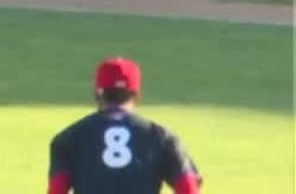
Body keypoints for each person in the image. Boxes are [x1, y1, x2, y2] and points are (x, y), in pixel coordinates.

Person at [47, 58, 203, 194]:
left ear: (97, 93)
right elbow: (188, 187)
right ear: (136, 94)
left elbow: (57, 189)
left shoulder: (68, 138)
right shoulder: (163, 138)